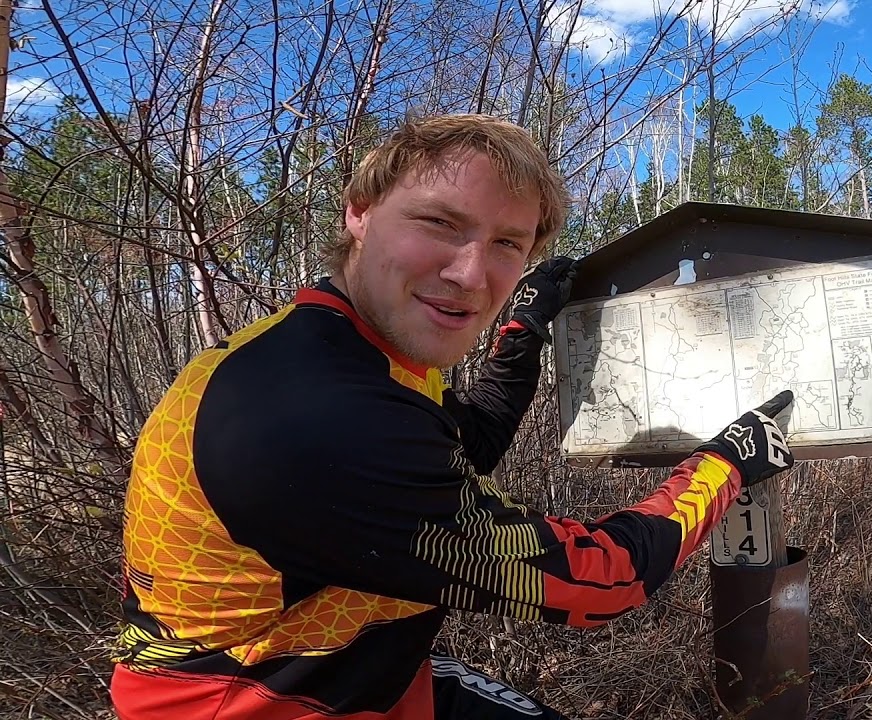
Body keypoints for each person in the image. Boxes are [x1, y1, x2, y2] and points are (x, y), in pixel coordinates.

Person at [109, 113, 796, 720]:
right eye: (440, 223)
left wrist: (522, 332)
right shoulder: (314, 415)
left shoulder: (336, 349)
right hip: (260, 704)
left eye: (507, 244)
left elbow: (463, 442)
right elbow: (599, 579)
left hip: (343, 669)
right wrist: (726, 464)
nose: (472, 274)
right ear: (359, 212)